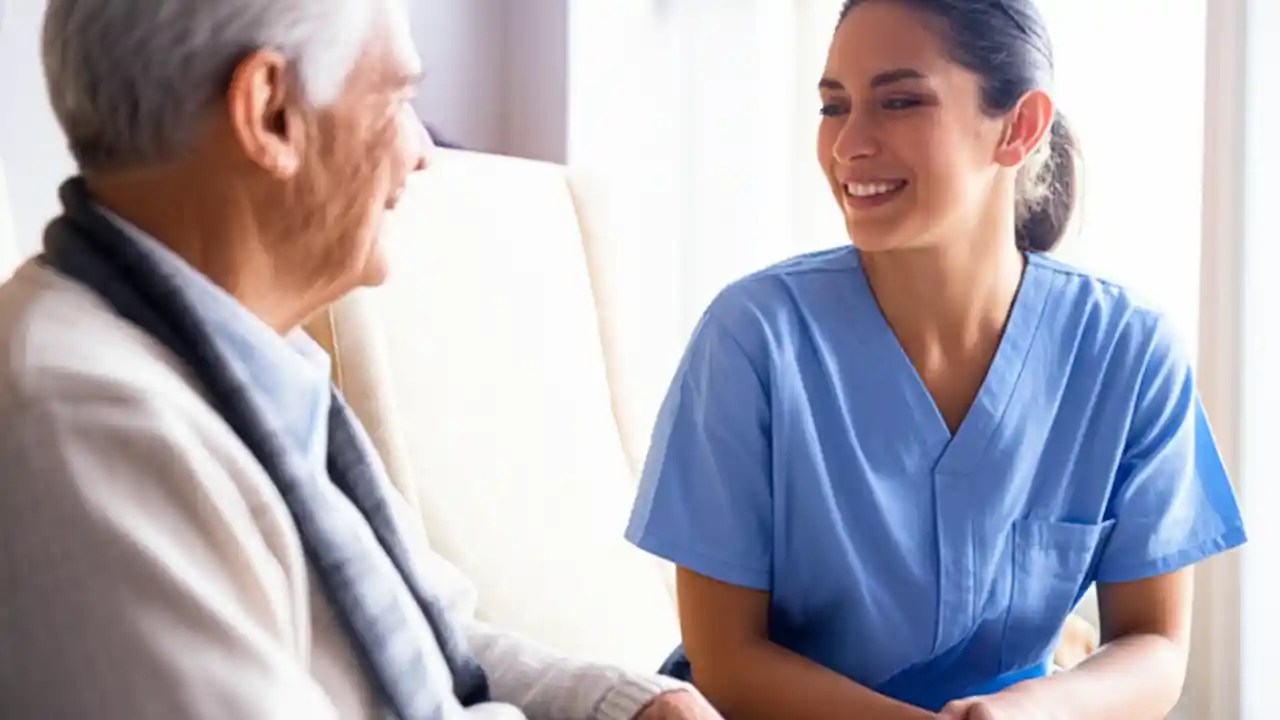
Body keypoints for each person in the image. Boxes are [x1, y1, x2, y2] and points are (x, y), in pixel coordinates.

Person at [0, 1, 720, 719]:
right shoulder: (85, 423)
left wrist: (631, 706)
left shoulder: (254, 358)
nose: (422, 150)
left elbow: (422, 635)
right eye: (398, 99)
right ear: (272, 112)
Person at [625, 0, 1246, 718]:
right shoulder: (753, 338)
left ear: (1020, 126)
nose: (848, 144)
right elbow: (726, 658)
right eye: (833, 107)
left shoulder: (1129, 352)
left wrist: (1029, 711)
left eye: (899, 101)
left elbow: (1156, 644)